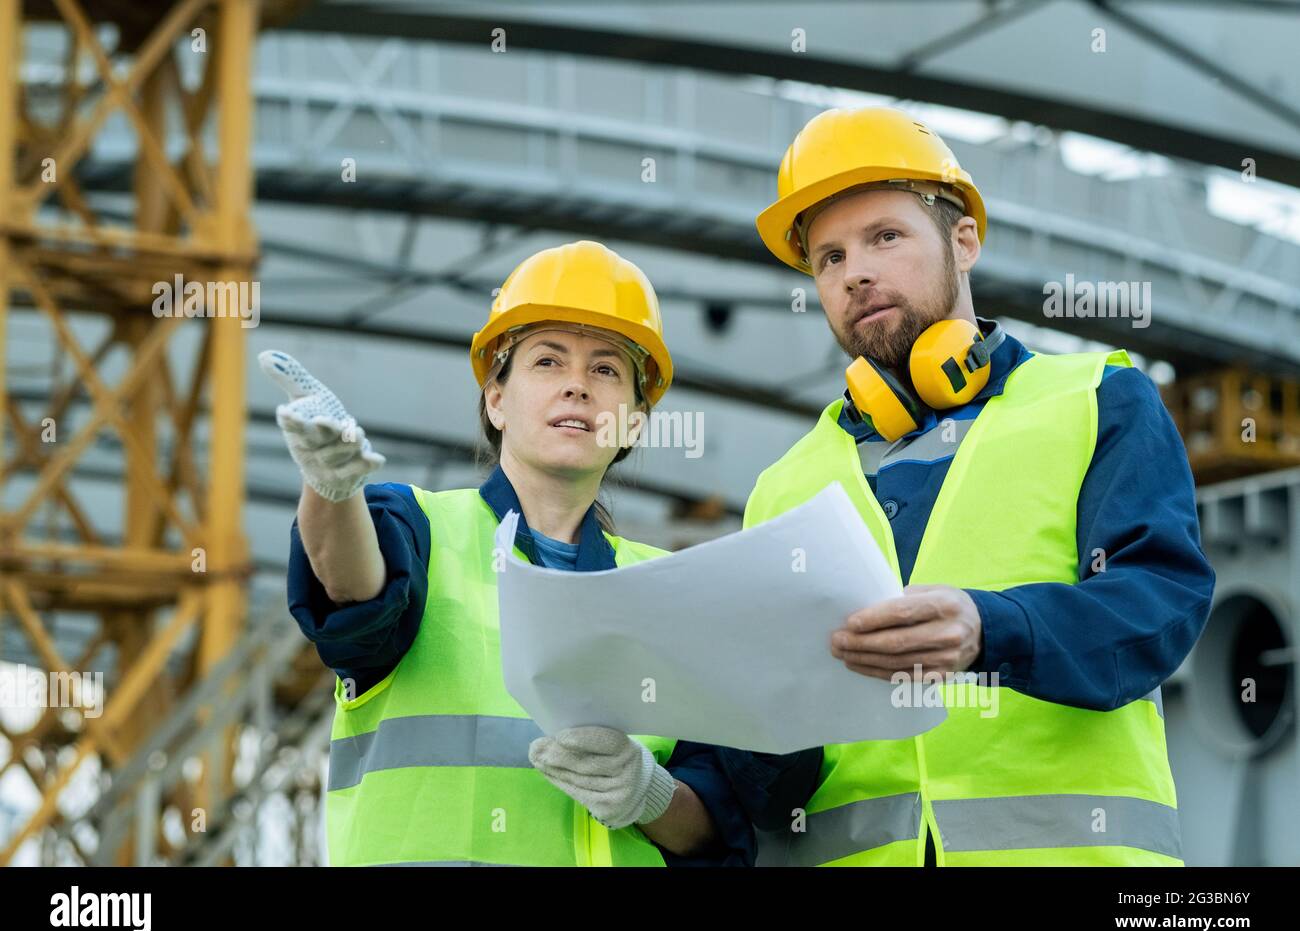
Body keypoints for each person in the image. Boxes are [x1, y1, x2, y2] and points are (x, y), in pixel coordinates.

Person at [743, 106, 1216, 866]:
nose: (854, 271)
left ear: (963, 241)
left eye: (885, 237)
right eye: (828, 259)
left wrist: (992, 631)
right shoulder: (782, 486)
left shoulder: (1097, 398)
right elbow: (770, 772)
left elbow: (1159, 607)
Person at [265, 240, 756, 865]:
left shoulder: (670, 591)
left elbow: (716, 829)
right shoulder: (420, 529)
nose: (577, 386)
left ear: (634, 421)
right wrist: (333, 491)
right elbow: (353, 592)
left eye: (606, 370)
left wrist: (650, 795)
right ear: (496, 400)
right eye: (548, 362)